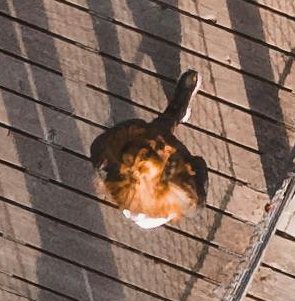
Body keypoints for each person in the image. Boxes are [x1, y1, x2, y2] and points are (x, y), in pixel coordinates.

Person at [89, 65, 210, 226]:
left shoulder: (103, 153)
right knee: (161, 129)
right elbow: (195, 205)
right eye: (162, 149)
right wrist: (193, 170)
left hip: (147, 156)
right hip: (169, 169)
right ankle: (177, 110)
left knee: (158, 128)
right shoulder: (180, 193)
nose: (167, 148)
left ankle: (176, 112)